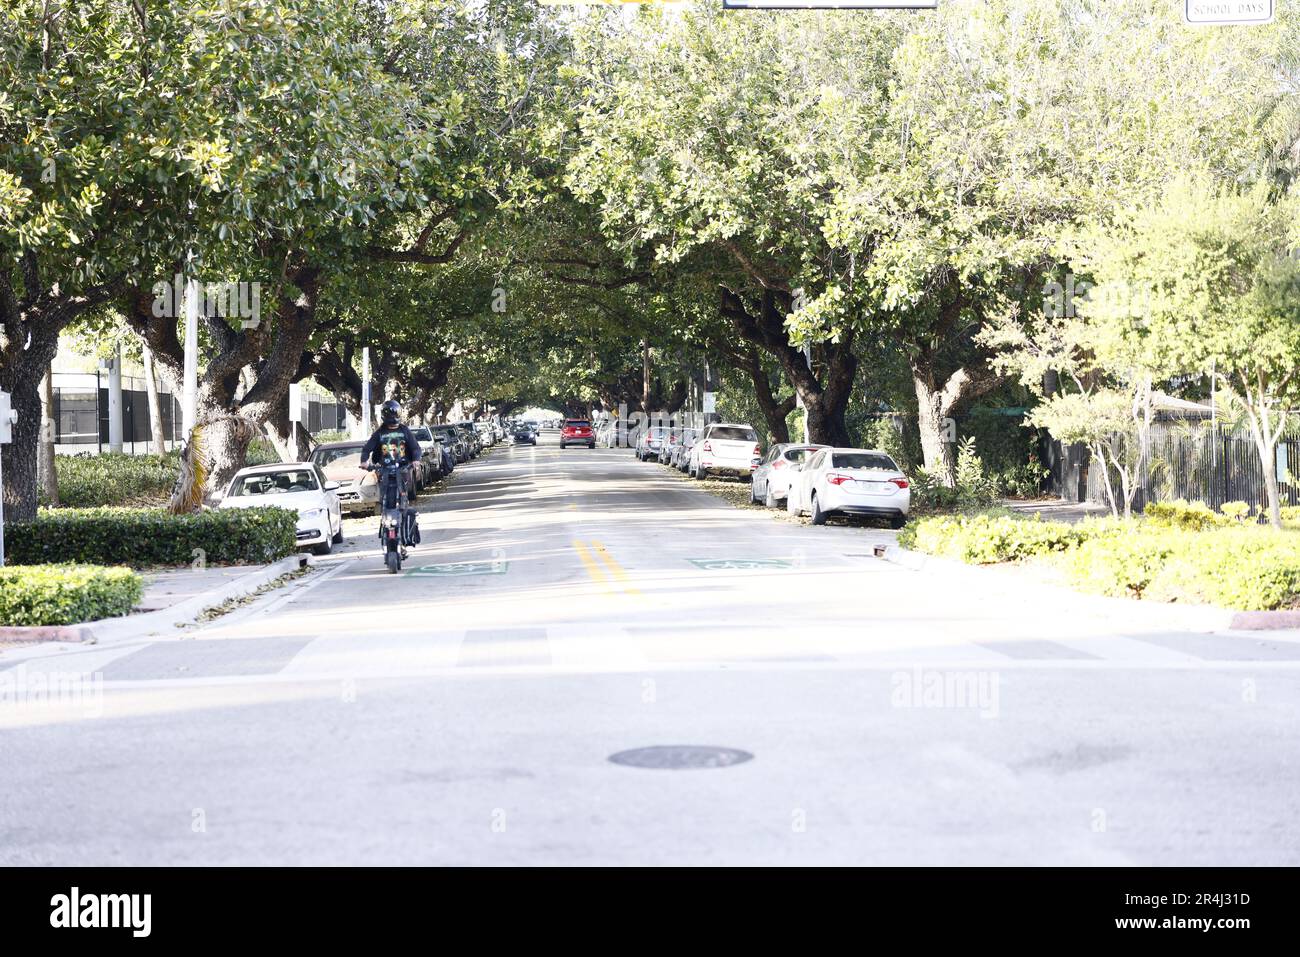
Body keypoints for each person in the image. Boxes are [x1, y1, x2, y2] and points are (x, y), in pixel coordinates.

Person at [361, 400, 422, 505]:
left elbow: (415, 448)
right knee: (383, 495)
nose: (393, 417)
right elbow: (367, 448)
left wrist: (416, 460)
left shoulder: (405, 430)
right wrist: (364, 462)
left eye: (396, 413)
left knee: (403, 494)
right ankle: (384, 507)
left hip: (403, 468)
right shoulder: (379, 433)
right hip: (384, 469)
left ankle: (403, 507)